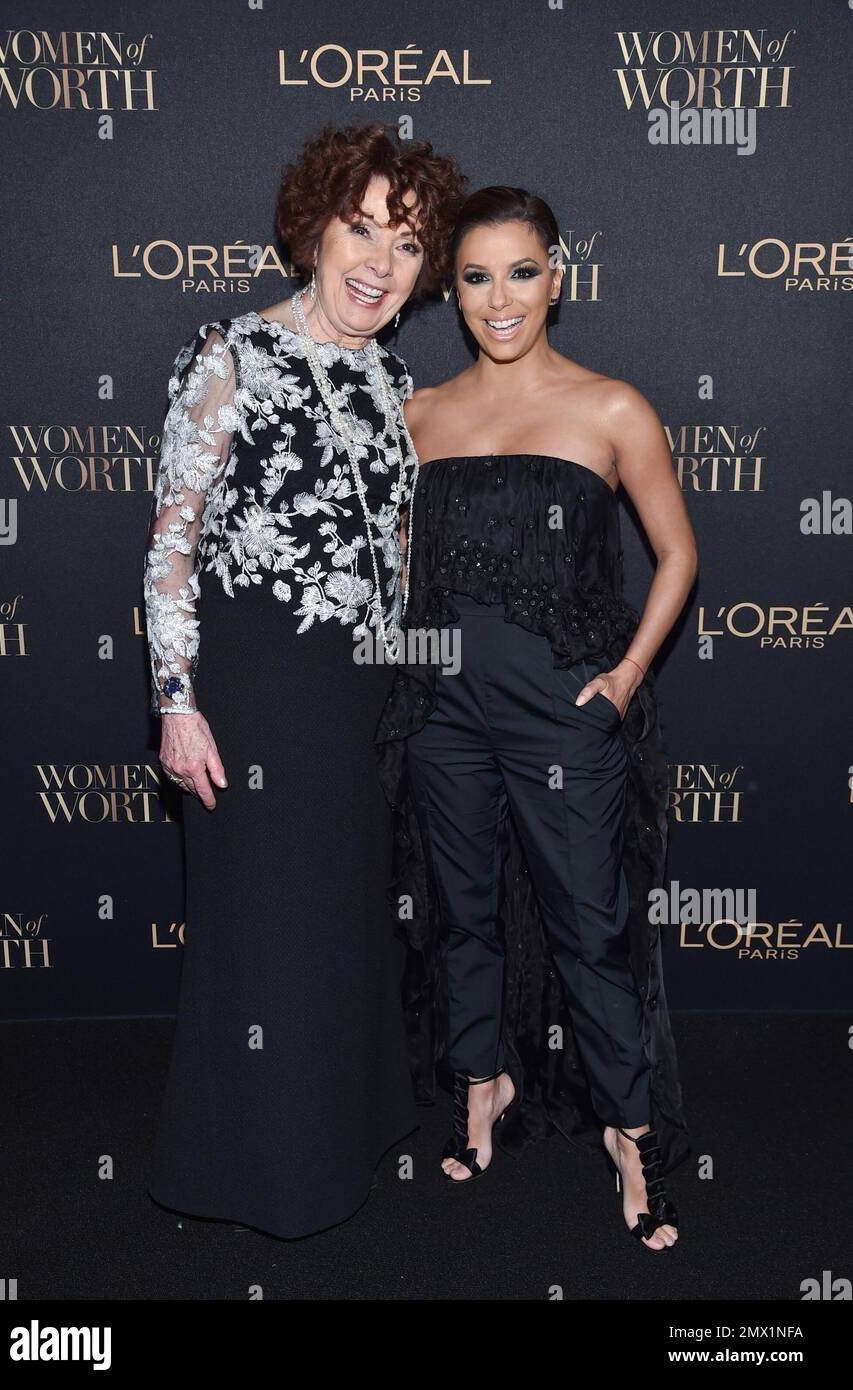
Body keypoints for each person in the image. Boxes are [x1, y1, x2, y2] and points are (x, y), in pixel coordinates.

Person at [143, 122, 467, 1239]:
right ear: (313, 230)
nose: (379, 262)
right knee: (266, 928)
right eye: (360, 228)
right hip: (256, 689)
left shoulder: (391, 373)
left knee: (339, 923)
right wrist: (175, 701)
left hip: (358, 697)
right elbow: (173, 542)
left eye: (407, 244)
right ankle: (260, 1174)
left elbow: (397, 552)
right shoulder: (229, 352)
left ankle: (340, 1135)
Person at [376, 186, 697, 1252]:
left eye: (521, 271)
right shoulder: (418, 414)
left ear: (557, 276)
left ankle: (630, 1131)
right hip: (442, 711)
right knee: (460, 913)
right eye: (475, 277)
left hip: (562, 715)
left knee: (590, 929)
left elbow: (678, 554)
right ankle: (481, 1083)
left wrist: (626, 675)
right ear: (451, 290)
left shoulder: (611, 408)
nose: (499, 298)